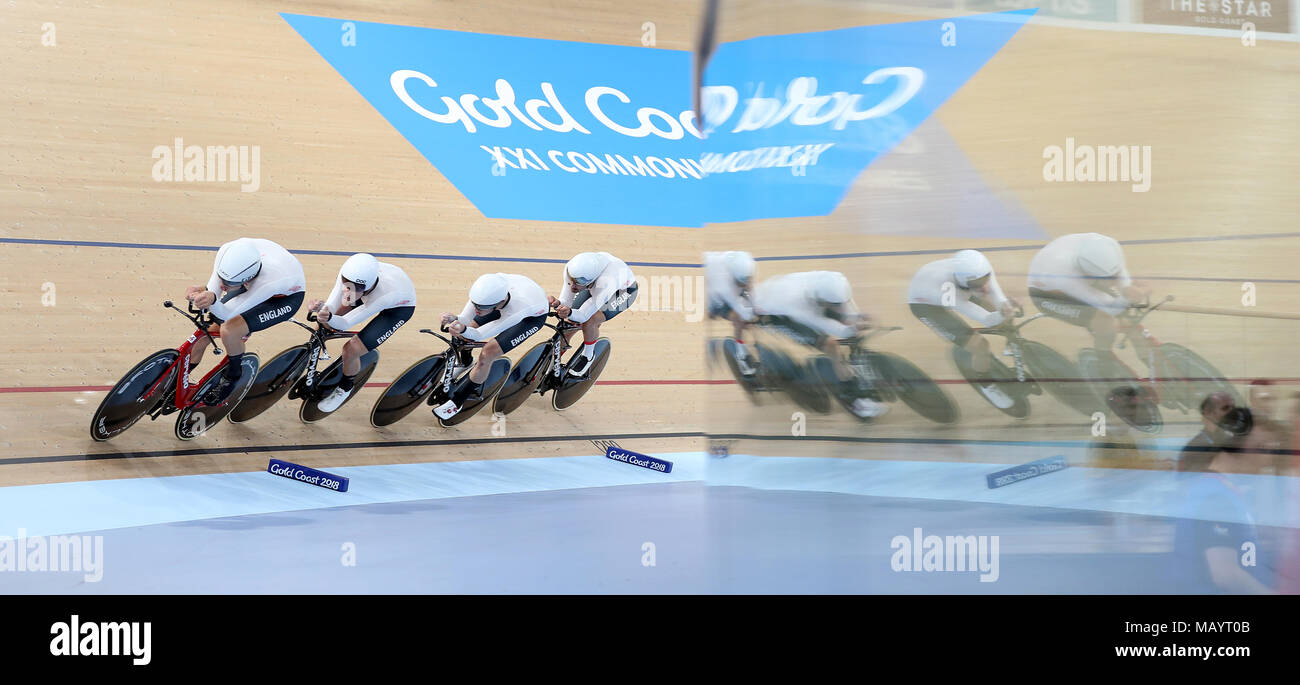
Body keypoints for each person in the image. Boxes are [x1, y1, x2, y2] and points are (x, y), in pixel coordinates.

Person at [185, 237, 306, 405]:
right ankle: (175, 381)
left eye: (229, 284)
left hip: (284, 299)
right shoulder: (227, 250)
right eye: (223, 279)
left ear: (248, 279)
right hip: (251, 281)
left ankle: (233, 376)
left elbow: (227, 314)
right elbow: (215, 291)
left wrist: (212, 300)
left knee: (230, 330)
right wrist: (206, 296)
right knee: (205, 334)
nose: (223, 286)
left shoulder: (269, 282)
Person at [752, 270, 887, 419]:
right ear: (822, 300)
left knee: (847, 323)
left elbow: (844, 309)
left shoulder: (833, 281)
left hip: (783, 295)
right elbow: (837, 329)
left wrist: (858, 317)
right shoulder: (799, 306)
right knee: (831, 345)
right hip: (773, 315)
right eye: (834, 304)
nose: (839, 307)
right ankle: (853, 399)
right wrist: (853, 326)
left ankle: (850, 374)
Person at [907, 249, 1019, 409]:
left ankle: (992, 357)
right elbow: (986, 319)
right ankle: (985, 384)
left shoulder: (980, 269)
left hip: (944, 283)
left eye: (985, 279)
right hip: (925, 304)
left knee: (997, 310)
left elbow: (996, 296)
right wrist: (1004, 312)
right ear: (964, 283)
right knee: (980, 346)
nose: (985, 288)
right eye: (977, 285)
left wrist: (1004, 306)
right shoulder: (949, 293)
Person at [306, 254, 417, 412]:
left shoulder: (383, 296)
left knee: (351, 350)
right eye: (346, 283)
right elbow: (332, 305)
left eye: (356, 288)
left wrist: (330, 317)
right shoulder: (348, 273)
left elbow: (345, 323)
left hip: (397, 309)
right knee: (323, 325)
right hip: (369, 290)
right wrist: (323, 309)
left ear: (367, 286)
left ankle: (345, 387)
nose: (348, 289)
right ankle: (309, 360)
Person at [434, 273, 549, 420]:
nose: (476, 309)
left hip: (531, 317)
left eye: (480, 307)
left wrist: (462, 329)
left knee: (487, 353)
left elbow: (479, 335)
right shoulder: (487, 291)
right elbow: (466, 318)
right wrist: (455, 318)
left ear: (498, 303)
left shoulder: (517, 309)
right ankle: (466, 362)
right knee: (465, 333)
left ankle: (458, 401)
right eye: (474, 304)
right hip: (510, 299)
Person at [1025, 232, 1149, 354]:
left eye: (1114, 275)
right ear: (1088, 274)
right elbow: (1110, 310)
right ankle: (1103, 362)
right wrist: (1128, 297)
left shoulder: (1110, 245)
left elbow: (1122, 279)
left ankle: (1150, 356)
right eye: (1107, 279)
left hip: (1070, 270)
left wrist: (1129, 290)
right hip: (1045, 292)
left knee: (1127, 319)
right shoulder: (1067, 277)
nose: (1112, 282)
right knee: (1105, 323)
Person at [549, 252, 639, 376]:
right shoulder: (572, 270)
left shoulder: (605, 283)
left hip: (624, 291)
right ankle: (553, 361)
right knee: (569, 325)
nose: (572, 287)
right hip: (595, 286)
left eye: (577, 283)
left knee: (590, 321)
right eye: (572, 281)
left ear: (590, 281)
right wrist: (558, 303)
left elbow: (583, 315)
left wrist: (569, 312)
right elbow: (566, 301)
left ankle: (588, 356)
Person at [705, 251, 758, 375]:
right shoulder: (723, 286)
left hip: (724, 280)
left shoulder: (747, 263)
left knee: (749, 311)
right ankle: (741, 356)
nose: (745, 284)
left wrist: (753, 306)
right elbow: (742, 312)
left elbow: (749, 287)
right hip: (714, 298)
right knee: (739, 318)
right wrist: (750, 318)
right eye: (741, 282)